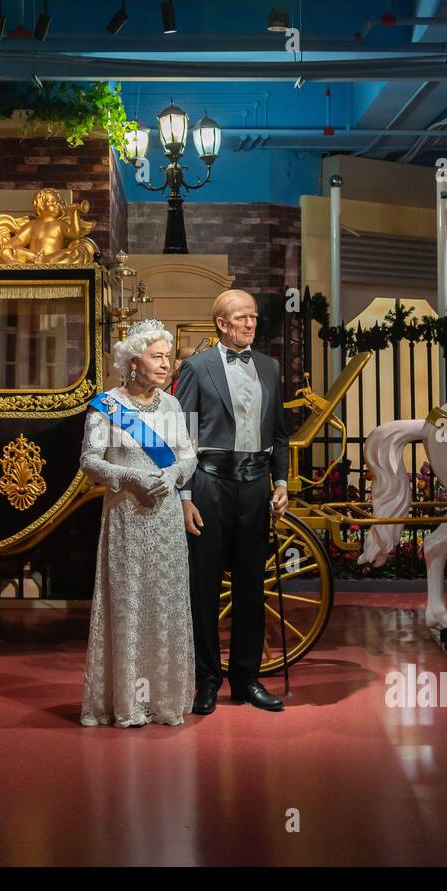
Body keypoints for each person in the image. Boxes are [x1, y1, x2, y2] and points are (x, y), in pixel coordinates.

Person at [175, 289, 289, 714]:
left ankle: (247, 680)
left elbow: (279, 433)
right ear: (221, 323)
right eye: (242, 318)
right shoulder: (196, 367)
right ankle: (207, 681)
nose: (251, 324)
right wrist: (184, 496)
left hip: (256, 485)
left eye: (254, 317)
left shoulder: (270, 367)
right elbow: (182, 435)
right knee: (203, 587)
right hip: (209, 482)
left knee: (250, 586)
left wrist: (282, 483)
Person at [79, 319, 198, 727]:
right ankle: (126, 703)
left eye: (168, 357)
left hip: (164, 518)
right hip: (127, 516)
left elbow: (188, 455)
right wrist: (127, 476)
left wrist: (175, 475)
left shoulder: (172, 405)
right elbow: (89, 461)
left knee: (163, 602)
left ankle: (163, 700)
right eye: (157, 356)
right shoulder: (107, 406)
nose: (166, 364)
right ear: (133, 361)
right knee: (129, 604)